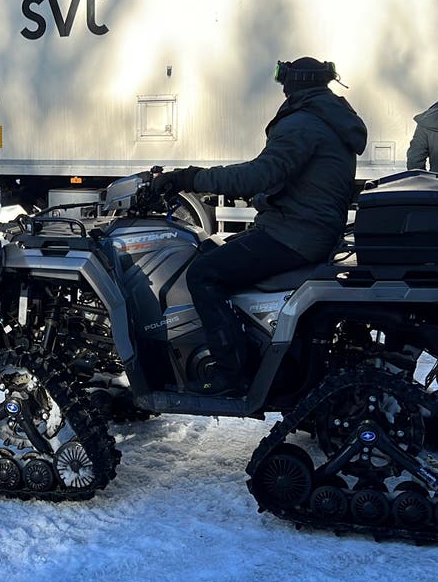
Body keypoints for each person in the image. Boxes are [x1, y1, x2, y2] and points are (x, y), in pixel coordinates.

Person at [152, 57, 367, 394]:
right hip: (304, 228)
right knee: (209, 249)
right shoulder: (327, 118)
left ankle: (231, 373)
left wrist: (190, 177)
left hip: (295, 234)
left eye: (284, 80)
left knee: (203, 274)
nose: (282, 88)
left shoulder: (303, 123)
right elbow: (287, 181)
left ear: (294, 84)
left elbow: (258, 174)